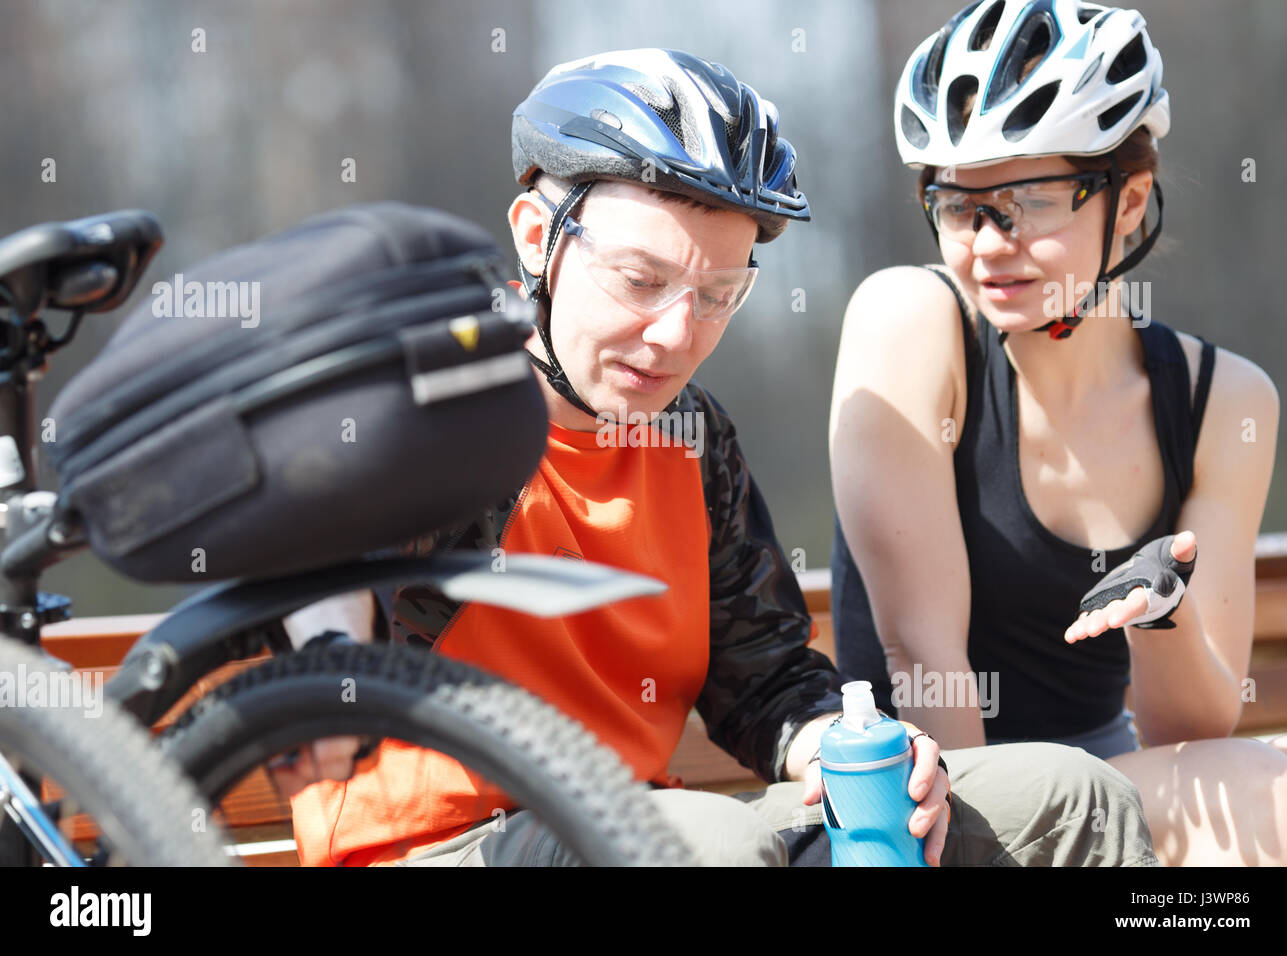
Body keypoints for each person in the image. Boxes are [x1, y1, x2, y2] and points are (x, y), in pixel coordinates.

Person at [276, 47, 1158, 867]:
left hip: (650, 825)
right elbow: (323, 567)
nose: (675, 335)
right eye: (640, 280)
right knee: (713, 843)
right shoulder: (440, 408)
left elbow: (766, 681)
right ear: (537, 238)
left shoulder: (691, 439)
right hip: (431, 848)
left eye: (717, 294)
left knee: (1070, 796)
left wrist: (858, 754)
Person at [829, 0, 1287, 866]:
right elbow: (919, 648)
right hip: (921, 799)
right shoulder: (909, 320)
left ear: (1129, 202)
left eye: (1030, 202)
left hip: (1108, 778)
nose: (986, 242)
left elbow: (1193, 728)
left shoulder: (1224, 397)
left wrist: (1160, 613)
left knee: (1281, 798)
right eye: (957, 204)